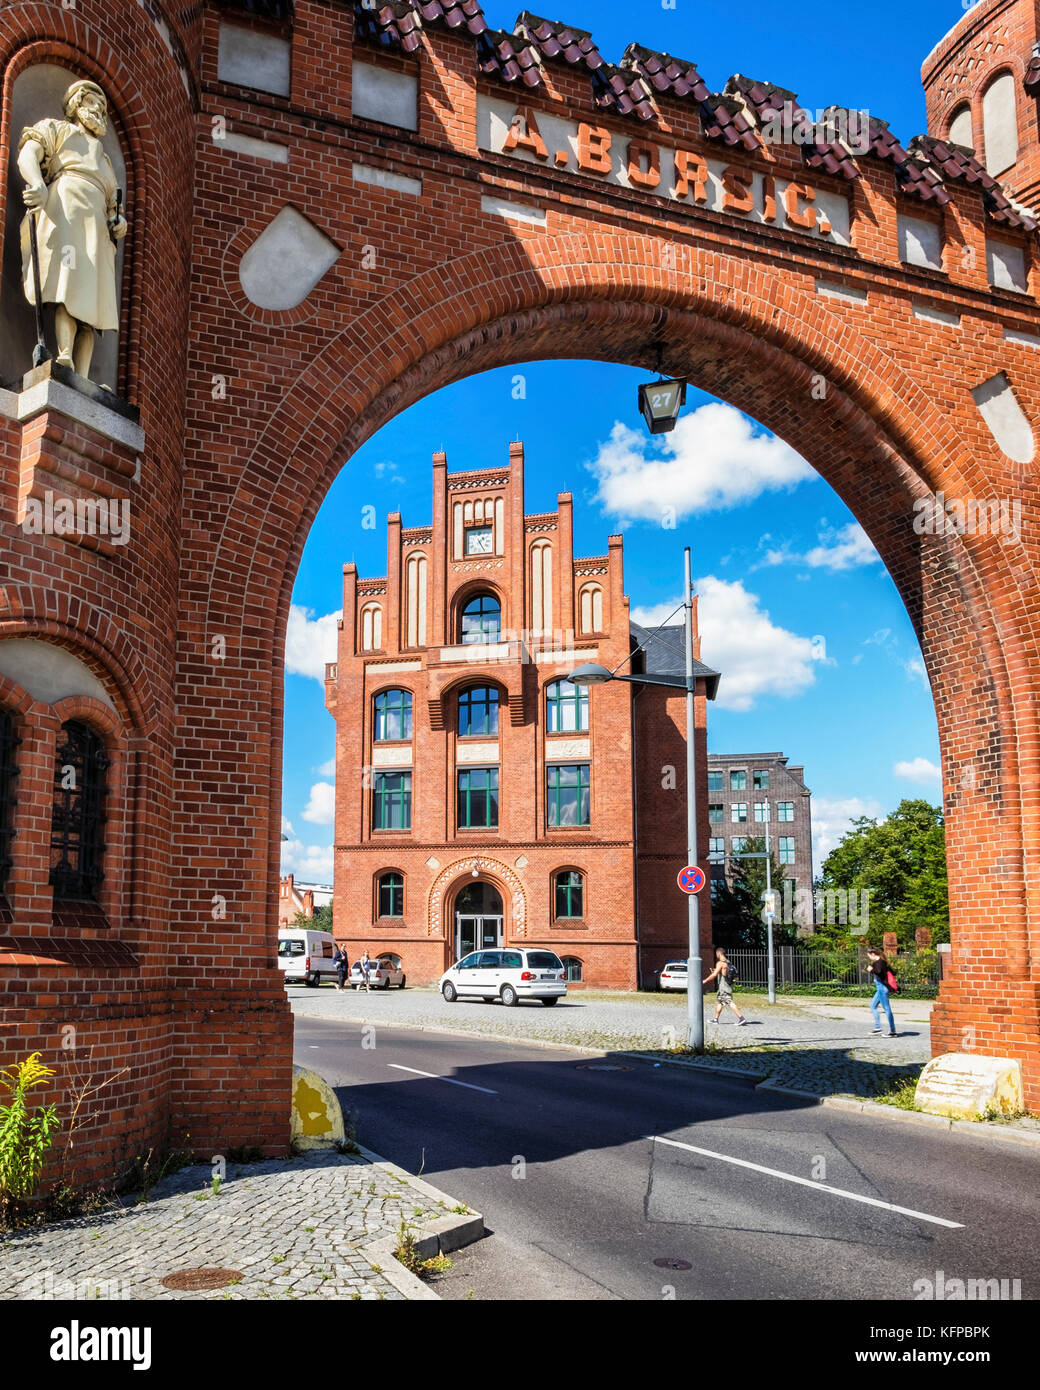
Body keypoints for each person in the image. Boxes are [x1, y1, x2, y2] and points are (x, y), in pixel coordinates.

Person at [18, 80, 128, 381]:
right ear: (77, 105)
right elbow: (28, 153)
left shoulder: (105, 160)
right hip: (66, 210)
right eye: (95, 104)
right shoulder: (58, 130)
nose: (101, 112)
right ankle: (63, 354)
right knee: (68, 284)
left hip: (97, 232)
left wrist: (120, 223)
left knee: (92, 305)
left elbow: (114, 208)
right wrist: (38, 184)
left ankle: (83, 375)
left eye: (104, 108)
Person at [703, 947, 746, 1026]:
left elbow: (714, 974)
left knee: (728, 1001)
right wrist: (716, 970)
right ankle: (716, 1019)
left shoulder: (720, 963)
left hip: (724, 985)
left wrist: (705, 981)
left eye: (716, 954)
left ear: (719, 953)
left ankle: (741, 1018)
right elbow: (724, 972)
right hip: (728, 984)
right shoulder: (728, 962)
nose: (716, 955)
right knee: (719, 1002)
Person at [867, 948, 898, 1036]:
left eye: (869, 956)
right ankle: (878, 1028)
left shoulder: (878, 962)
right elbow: (893, 972)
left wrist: (871, 970)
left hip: (882, 988)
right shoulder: (883, 962)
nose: (869, 958)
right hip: (880, 988)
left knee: (887, 1009)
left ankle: (893, 1031)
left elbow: (879, 971)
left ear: (873, 954)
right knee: (873, 1005)